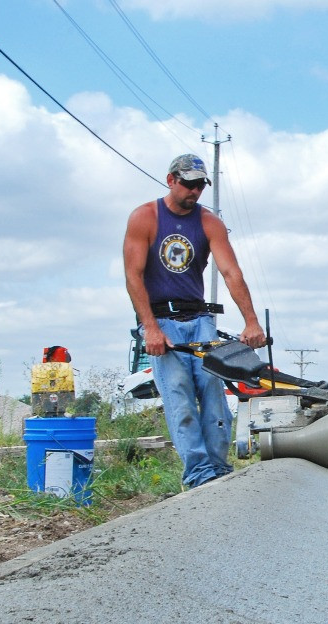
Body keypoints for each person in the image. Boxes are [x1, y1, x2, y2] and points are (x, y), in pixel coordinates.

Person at [123, 153, 266, 489]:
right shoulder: (144, 218)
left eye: (200, 185)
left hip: (200, 318)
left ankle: (218, 468)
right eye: (188, 184)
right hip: (162, 320)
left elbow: (231, 272)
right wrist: (151, 328)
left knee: (213, 390)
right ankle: (199, 473)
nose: (194, 191)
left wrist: (251, 322)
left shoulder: (208, 222)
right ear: (171, 180)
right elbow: (134, 276)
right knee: (179, 395)